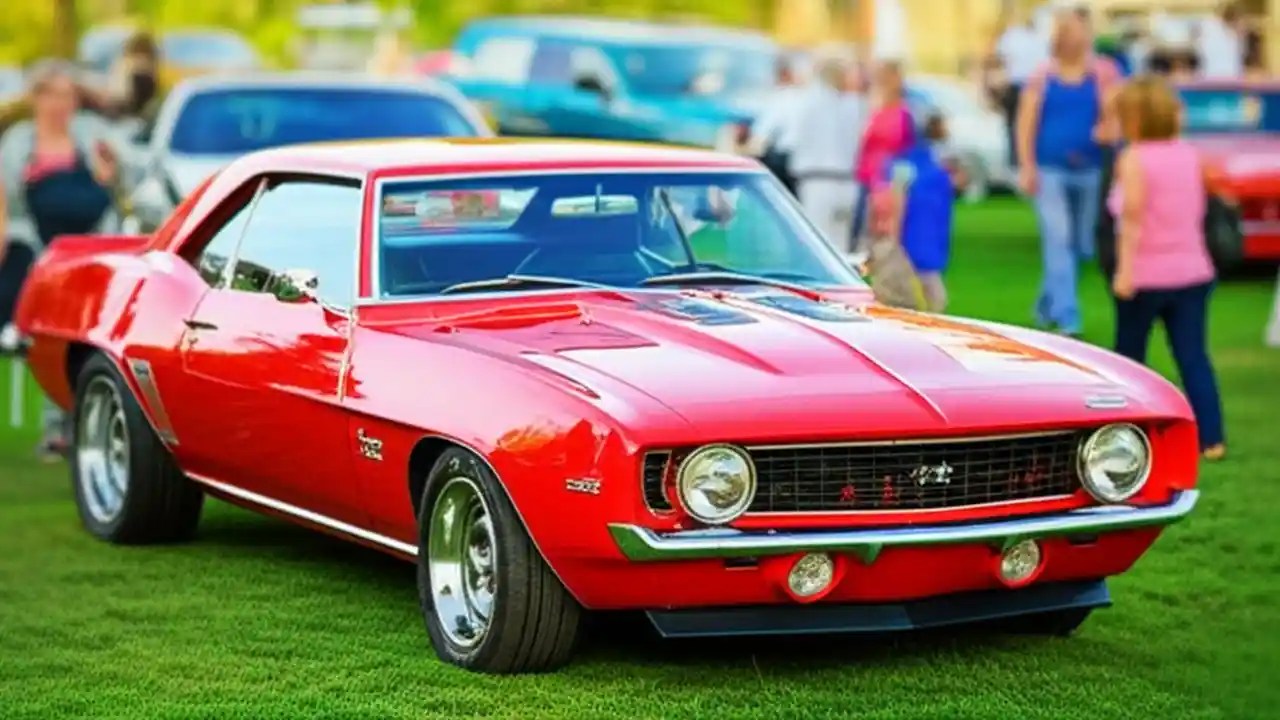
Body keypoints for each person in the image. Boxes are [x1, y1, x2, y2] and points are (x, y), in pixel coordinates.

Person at [0, 60, 120, 461]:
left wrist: (111, 173)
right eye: (51, 94)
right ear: (37, 98)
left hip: (92, 251)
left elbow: (130, 174)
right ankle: (59, 427)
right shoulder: (18, 142)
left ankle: (80, 425)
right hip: (39, 253)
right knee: (52, 333)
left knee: (88, 336)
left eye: (67, 95)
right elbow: (4, 202)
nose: (59, 104)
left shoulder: (92, 134)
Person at [1109, 75, 1225, 460]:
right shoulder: (1191, 155)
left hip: (1146, 275)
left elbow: (1132, 218)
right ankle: (1212, 438)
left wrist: (1124, 272)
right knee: (1194, 357)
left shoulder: (1134, 157)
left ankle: (1125, 434)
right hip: (1193, 270)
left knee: (1127, 361)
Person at [1016, 8, 1121, 337]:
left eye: (1081, 32)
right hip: (1050, 169)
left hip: (1088, 168)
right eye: (1070, 32)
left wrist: (1108, 130)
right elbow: (1026, 124)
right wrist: (1027, 166)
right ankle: (1068, 317)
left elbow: (1114, 117)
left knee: (1079, 245)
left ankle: (1045, 306)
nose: (1076, 39)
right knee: (1058, 238)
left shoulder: (1102, 73)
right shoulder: (1042, 76)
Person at [790, 55, 866, 253]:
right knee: (842, 247)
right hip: (848, 182)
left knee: (817, 245)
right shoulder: (856, 105)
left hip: (816, 180)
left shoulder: (805, 102)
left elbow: (790, 139)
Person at [854, 60, 915, 258]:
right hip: (869, 176)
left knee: (887, 231)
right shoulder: (872, 108)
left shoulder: (901, 112)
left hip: (887, 177)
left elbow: (905, 148)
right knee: (868, 231)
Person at [995, 13, 1050, 171]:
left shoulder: (1038, 36)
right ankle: (1018, 163)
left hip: (1032, 85)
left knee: (1026, 126)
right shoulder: (1016, 35)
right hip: (1022, 85)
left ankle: (1022, 162)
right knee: (1017, 127)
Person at [747, 56, 805, 194]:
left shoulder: (780, 98)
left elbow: (762, 133)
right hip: (805, 160)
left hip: (784, 159)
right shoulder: (806, 98)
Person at [1197, 3, 1245, 80]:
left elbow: (1200, 50)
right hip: (1227, 79)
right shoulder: (1232, 37)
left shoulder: (1208, 26)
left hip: (1210, 79)